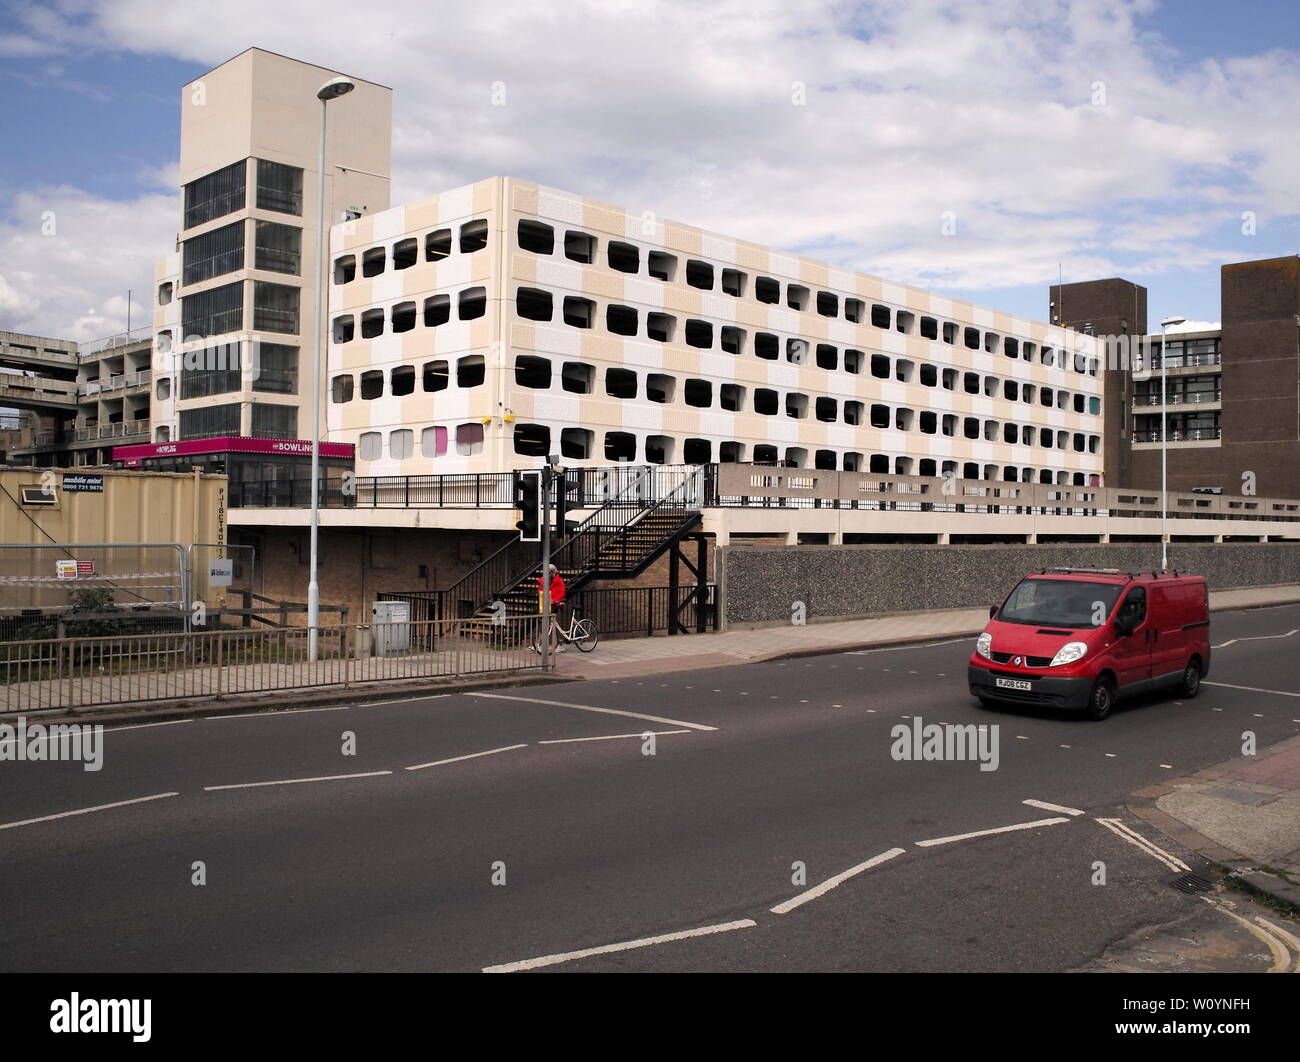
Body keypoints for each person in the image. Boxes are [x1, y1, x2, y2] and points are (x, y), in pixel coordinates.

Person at [537, 564, 568, 651]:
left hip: (555, 604)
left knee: (554, 622)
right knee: (544, 621)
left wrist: (555, 600)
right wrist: (541, 594)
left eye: (549, 572)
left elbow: (562, 592)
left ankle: (560, 643)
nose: (547, 573)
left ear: (553, 572)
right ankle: (539, 643)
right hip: (546, 603)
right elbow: (540, 589)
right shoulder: (544, 580)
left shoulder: (559, 581)